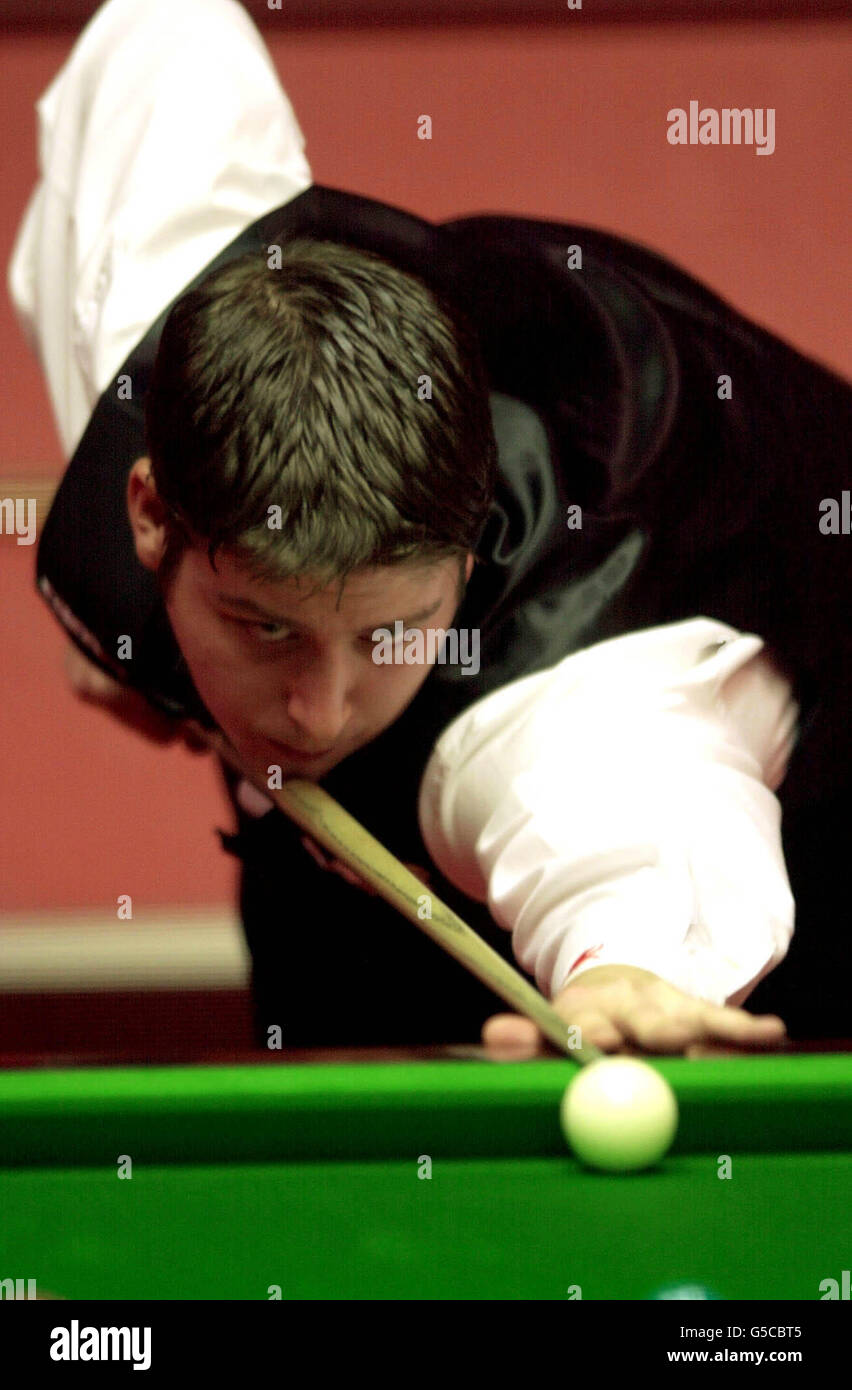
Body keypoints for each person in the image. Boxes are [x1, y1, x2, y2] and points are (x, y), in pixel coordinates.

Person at [9, 0, 851, 1055]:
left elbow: (636, 838)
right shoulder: (156, 312)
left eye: (386, 635)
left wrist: (628, 973)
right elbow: (161, 36)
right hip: (355, 871)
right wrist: (148, 652)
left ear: (463, 563)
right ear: (147, 512)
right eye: (265, 625)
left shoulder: (575, 711)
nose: (316, 715)